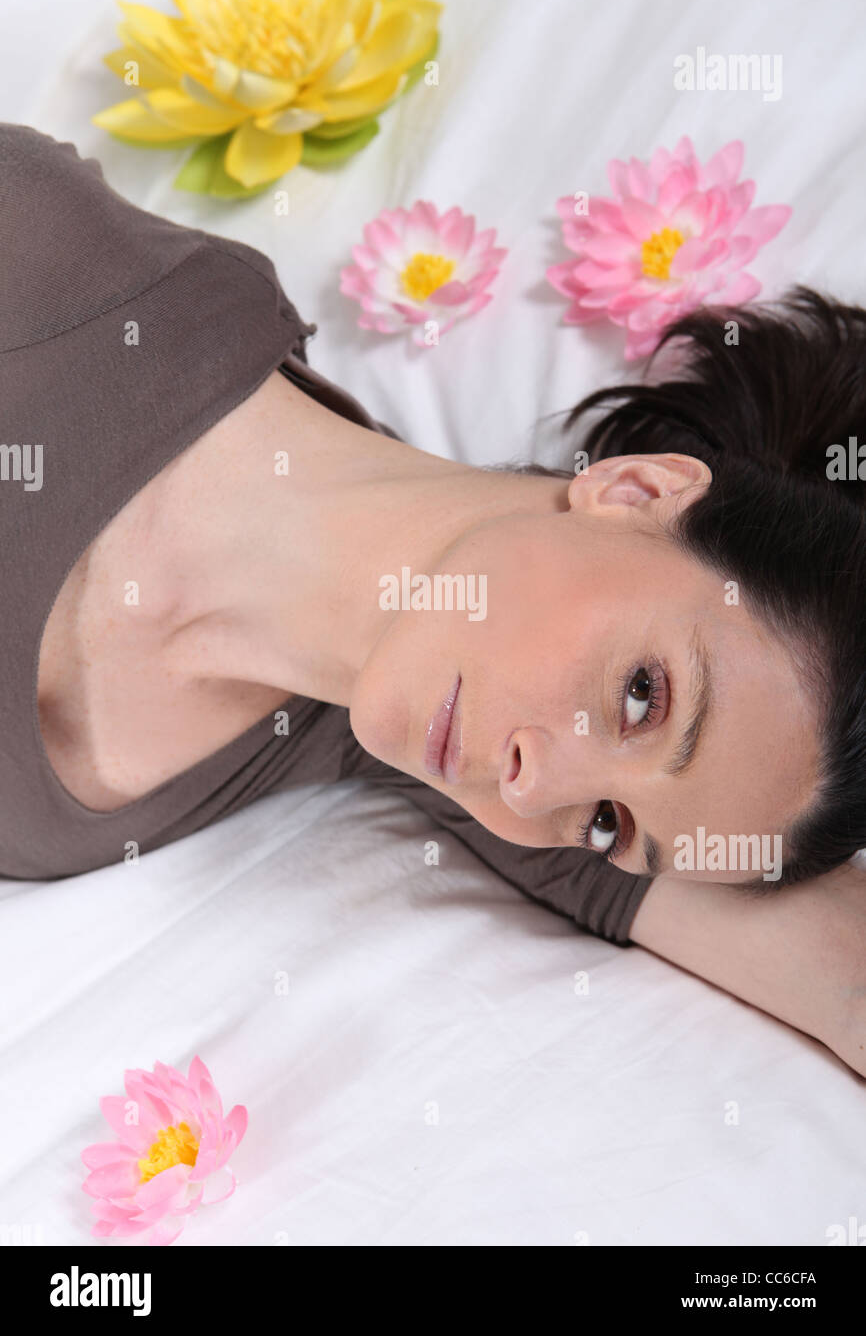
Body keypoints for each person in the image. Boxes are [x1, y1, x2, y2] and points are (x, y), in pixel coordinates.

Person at [1, 124, 863, 1075]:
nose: (536, 789)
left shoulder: (373, 742)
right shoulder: (47, 264)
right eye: (640, 698)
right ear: (637, 491)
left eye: (609, 825)